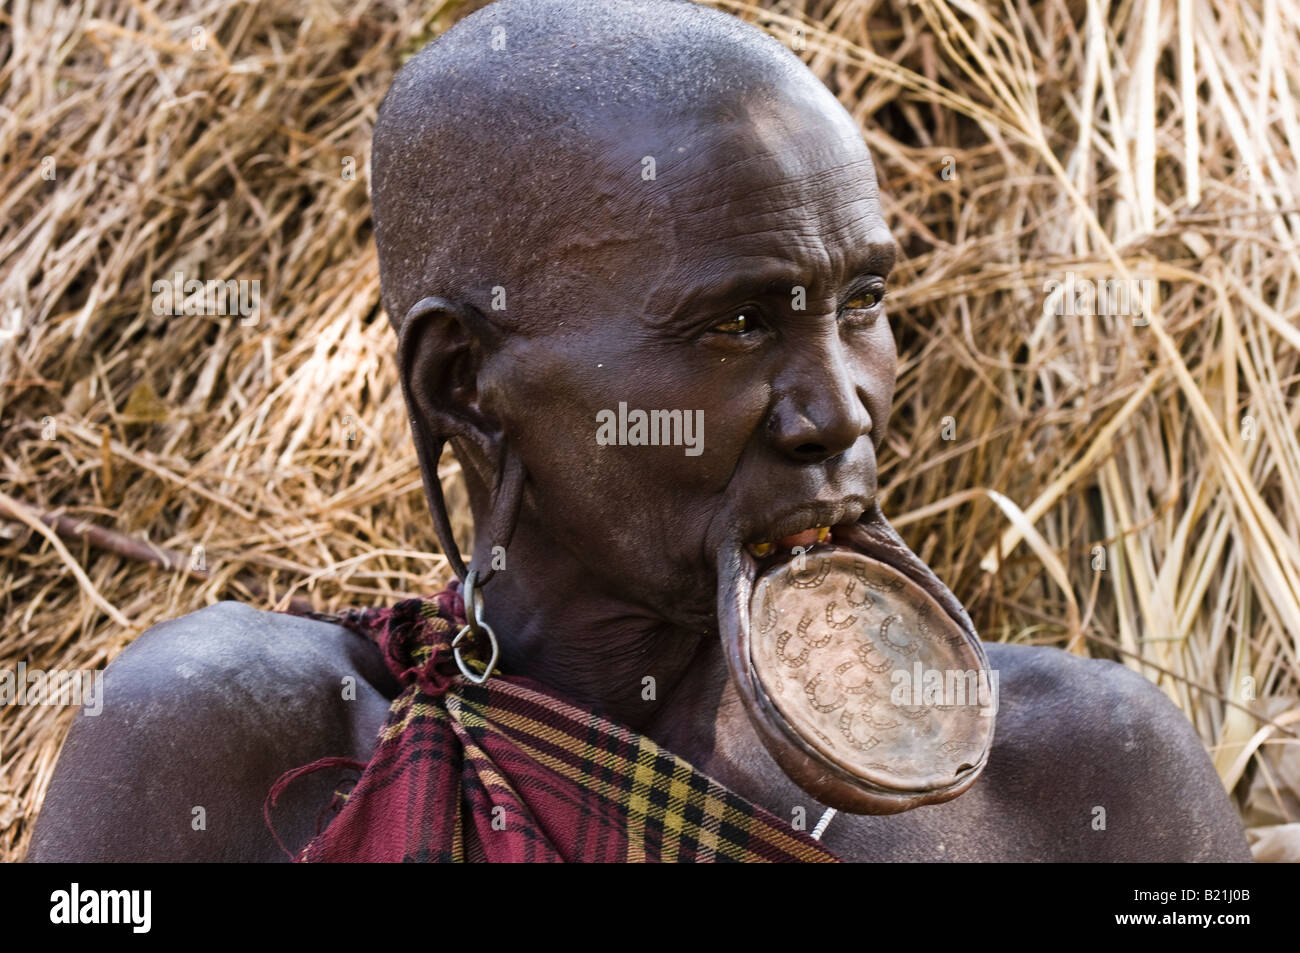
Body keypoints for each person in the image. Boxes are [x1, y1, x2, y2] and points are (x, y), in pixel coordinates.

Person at [28, 0, 1250, 862]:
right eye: (731, 325)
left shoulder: (1079, 777)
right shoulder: (231, 750)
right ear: (463, 382)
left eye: (861, 302)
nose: (841, 406)